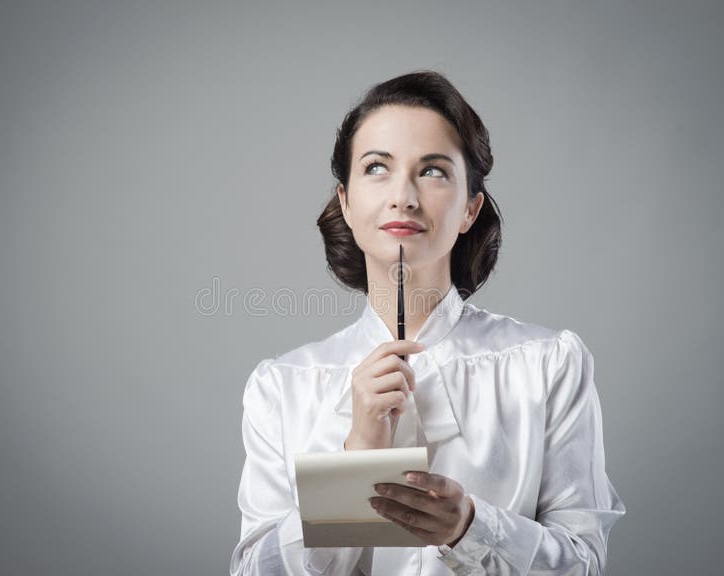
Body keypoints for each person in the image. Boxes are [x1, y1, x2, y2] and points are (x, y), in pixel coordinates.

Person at [229, 70, 626, 575]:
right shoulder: (283, 387)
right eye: (377, 167)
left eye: (433, 171)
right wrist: (355, 458)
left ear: (470, 208)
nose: (404, 197)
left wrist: (470, 527)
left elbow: (584, 566)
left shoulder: (548, 367)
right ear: (346, 202)